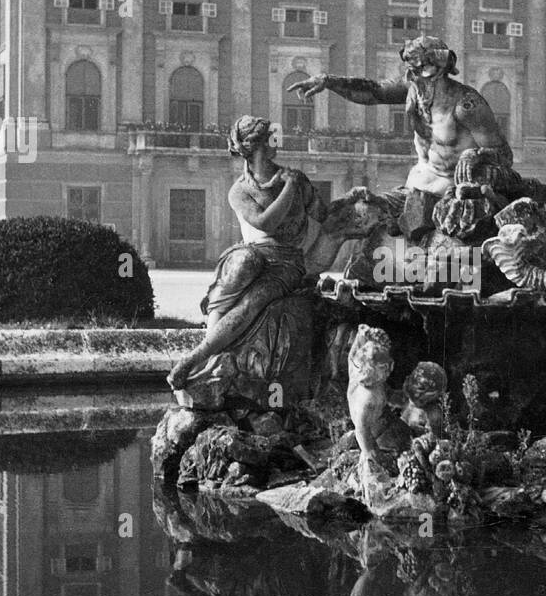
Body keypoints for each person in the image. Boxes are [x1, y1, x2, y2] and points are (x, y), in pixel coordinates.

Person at [287, 34, 519, 241]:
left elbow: (504, 155)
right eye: (410, 69)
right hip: (412, 192)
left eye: (418, 69)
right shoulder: (414, 92)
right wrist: (327, 81)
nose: (411, 75)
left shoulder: (467, 105)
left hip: (450, 198)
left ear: (438, 69)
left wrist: (474, 156)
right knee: (349, 215)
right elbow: (373, 91)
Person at [168, 115, 322, 393]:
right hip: (252, 254)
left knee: (253, 302)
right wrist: (289, 186)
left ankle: (194, 359)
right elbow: (265, 223)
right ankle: (211, 361)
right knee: (242, 264)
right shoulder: (239, 190)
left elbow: (323, 214)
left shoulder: (297, 180)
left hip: (285, 263)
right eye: (270, 140)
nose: (277, 142)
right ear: (255, 147)